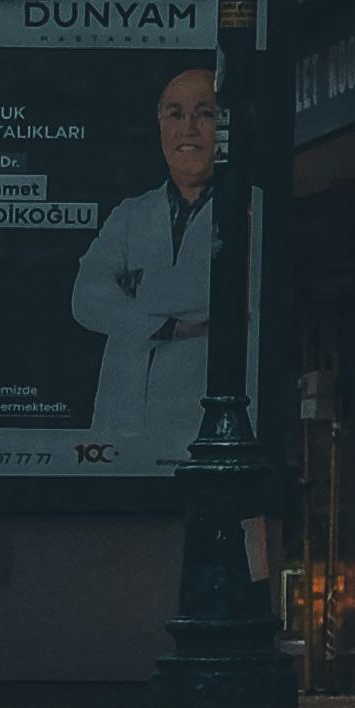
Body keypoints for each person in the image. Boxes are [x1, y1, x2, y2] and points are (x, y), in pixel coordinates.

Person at [73, 57, 225, 458]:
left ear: (224, 127)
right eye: (175, 114)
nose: (188, 128)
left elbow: (238, 308)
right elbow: (86, 299)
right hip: (115, 439)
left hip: (196, 439)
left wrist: (134, 302)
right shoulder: (130, 215)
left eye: (204, 114)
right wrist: (175, 324)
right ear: (161, 125)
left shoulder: (250, 210)